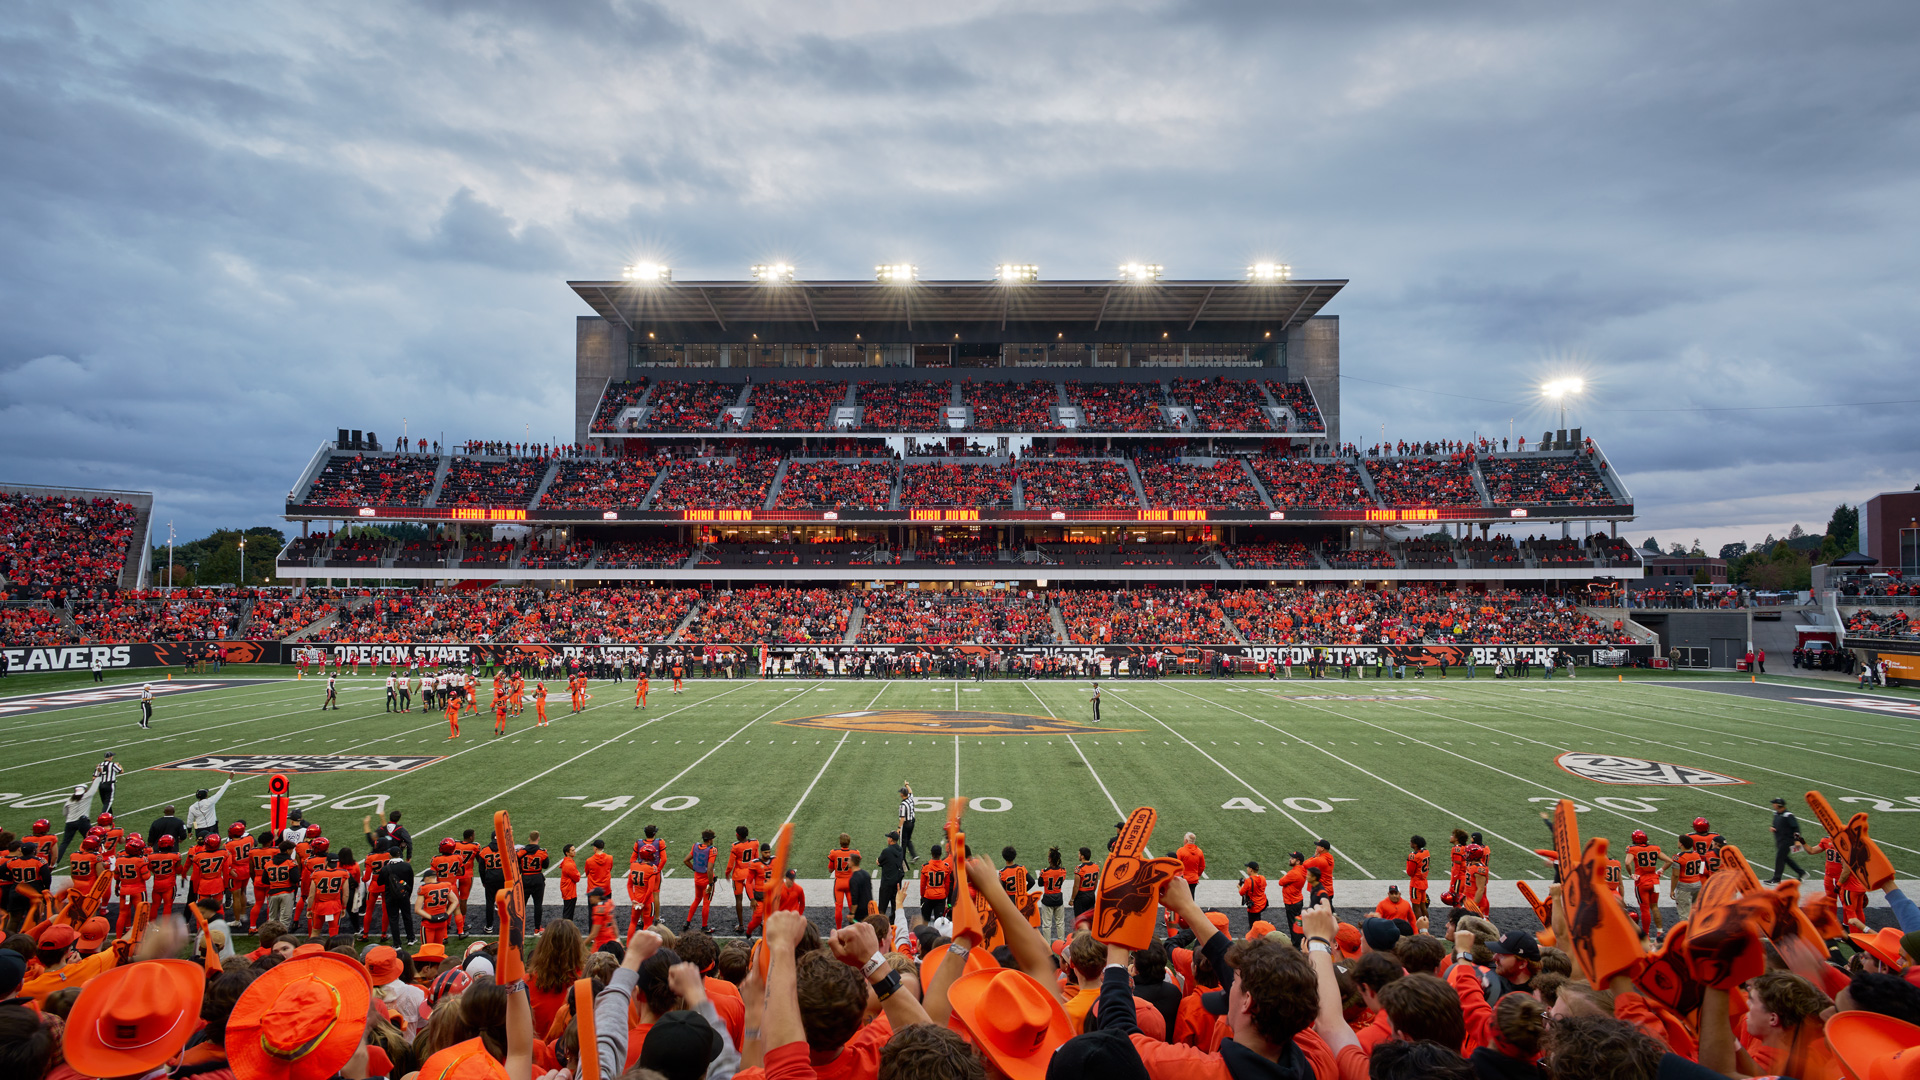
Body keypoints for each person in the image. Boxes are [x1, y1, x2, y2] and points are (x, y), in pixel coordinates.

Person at [57, 775, 102, 861]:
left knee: (65, 843)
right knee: (93, 839)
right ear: (85, 790)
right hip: (82, 822)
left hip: (70, 822)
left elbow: (64, 813)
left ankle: (55, 862)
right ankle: (97, 858)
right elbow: (95, 786)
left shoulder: (70, 800)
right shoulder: (86, 796)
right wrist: (99, 775)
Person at [1766, 796, 1807, 885]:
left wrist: (1797, 840)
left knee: (1780, 858)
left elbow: (1796, 828)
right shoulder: (1777, 814)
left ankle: (1776, 879)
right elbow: (1776, 824)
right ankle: (1801, 873)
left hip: (1787, 840)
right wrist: (1773, 827)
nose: (1773, 805)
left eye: (1774, 803)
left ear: (1778, 805)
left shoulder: (1788, 815)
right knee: (1785, 858)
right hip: (1780, 840)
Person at [828, 832, 859, 928]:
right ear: (849, 842)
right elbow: (857, 867)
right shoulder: (855, 853)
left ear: (840, 842)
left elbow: (830, 869)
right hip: (851, 882)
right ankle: (854, 927)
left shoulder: (834, 852)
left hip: (839, 883)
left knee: (838, 907)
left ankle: (838, 929)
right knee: (852, 907)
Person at [877, 829, 906, 921]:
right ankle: (893, 923)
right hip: (897, 883)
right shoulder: (900, 850)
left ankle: (881, 925)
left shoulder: (886, 851)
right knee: (895, 907)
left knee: (882, 907)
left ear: (890, 839)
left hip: (887, 883)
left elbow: (879, 862)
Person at [897, 783, 918, 860]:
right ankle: (914, 855)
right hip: (912, 822)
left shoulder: (903, 805)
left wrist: (899, 828)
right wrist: (907, 785)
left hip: (906, 824)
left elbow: (902, 818)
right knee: (908, 839)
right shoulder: (910, 799)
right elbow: (911, 791)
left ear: (902, 794)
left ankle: (902, 860)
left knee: (903, 842)